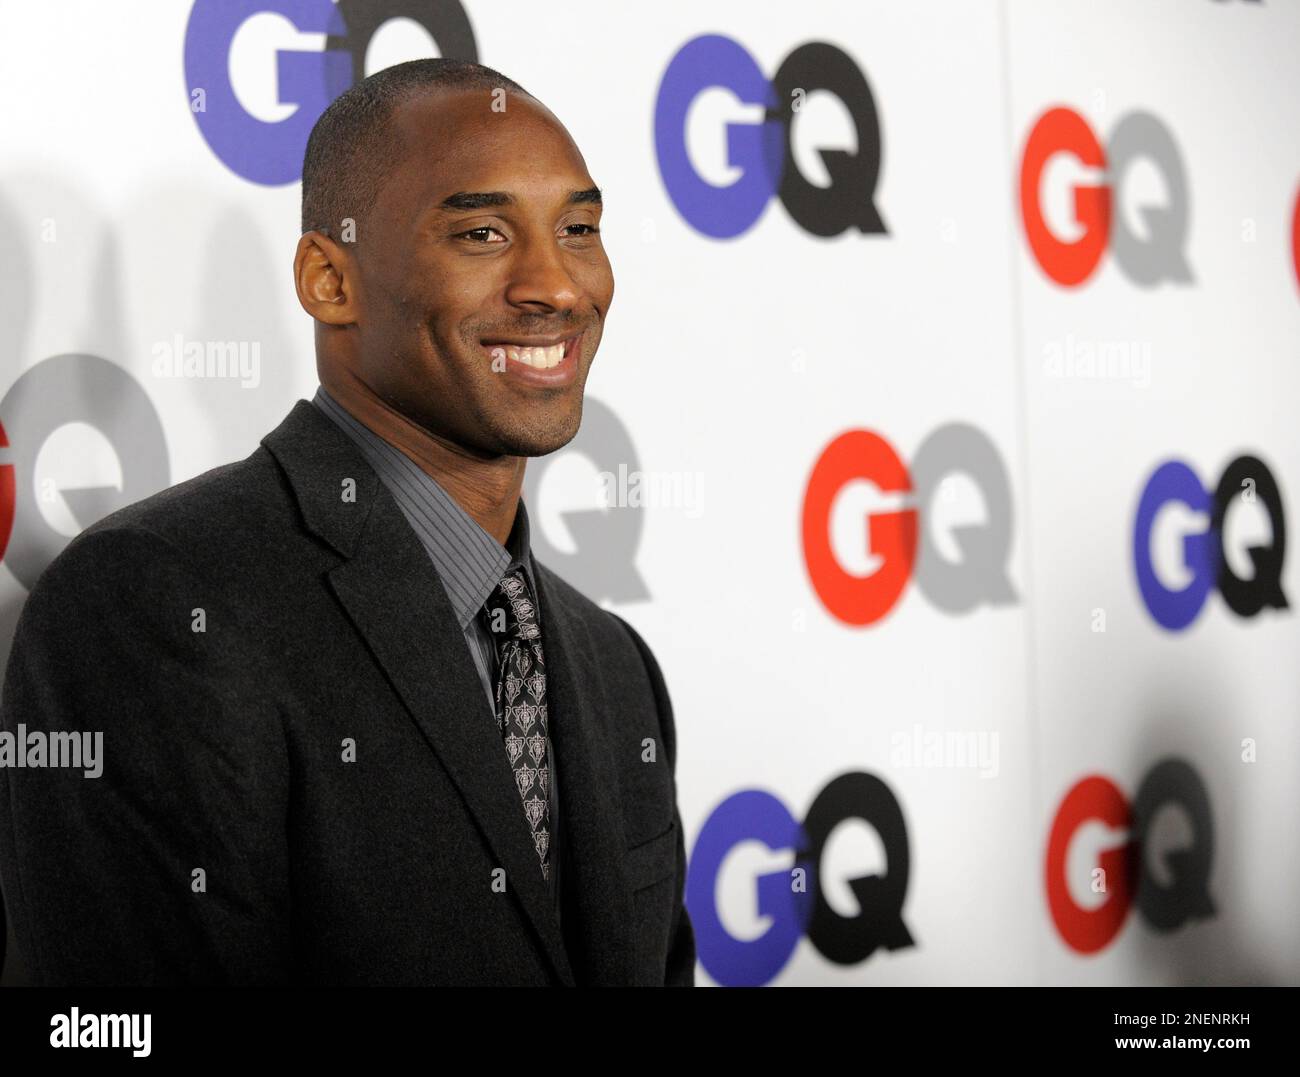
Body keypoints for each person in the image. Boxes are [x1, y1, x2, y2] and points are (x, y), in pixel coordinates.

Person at [0, 58, 694, 987]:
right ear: (331, 281)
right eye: (484, 232)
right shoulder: (153, 603)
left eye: (578, 230)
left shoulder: (613, 666)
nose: (557, 287)